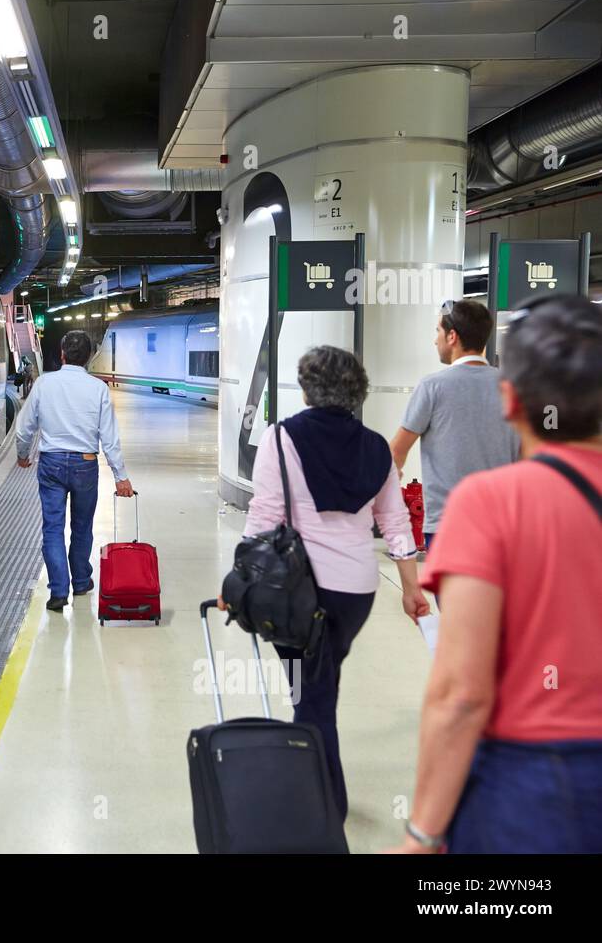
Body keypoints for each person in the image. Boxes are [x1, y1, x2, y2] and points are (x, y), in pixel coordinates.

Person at [389, 295, 602, 854]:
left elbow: (463, 693)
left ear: (512, 400)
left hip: (535, 778)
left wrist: (423, 833)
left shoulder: (488, 505)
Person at [238, 345, 429, 821]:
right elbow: (396, 522)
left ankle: (323, 805)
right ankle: (313, 791)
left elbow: (265, 516)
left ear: (306, 388)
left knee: (313, 696)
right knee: (319, 685)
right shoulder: (377, 448)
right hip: (357, 593)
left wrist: (240, 581)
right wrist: (411, 587)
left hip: (298, 593)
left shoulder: (281, 439)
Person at [16, 330, 134, 612]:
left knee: (53, 528)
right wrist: (121, 477)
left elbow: (24, 428)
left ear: (62, 354)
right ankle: (81, 581)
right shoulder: (98, 389)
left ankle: (58, 591)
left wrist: (23, 455)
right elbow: (110, 438)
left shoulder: (44, 384)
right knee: (82, 527)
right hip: (85, 464)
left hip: (52, 463)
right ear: (91, 357)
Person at [389, 299, 520, 552]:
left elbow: (397, 451)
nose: (434, 340)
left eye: (437, 331)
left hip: (449, 525)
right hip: (503, 524)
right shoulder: (513, 388)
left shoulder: (432, 387)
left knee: (452, 594)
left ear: (452, 336)